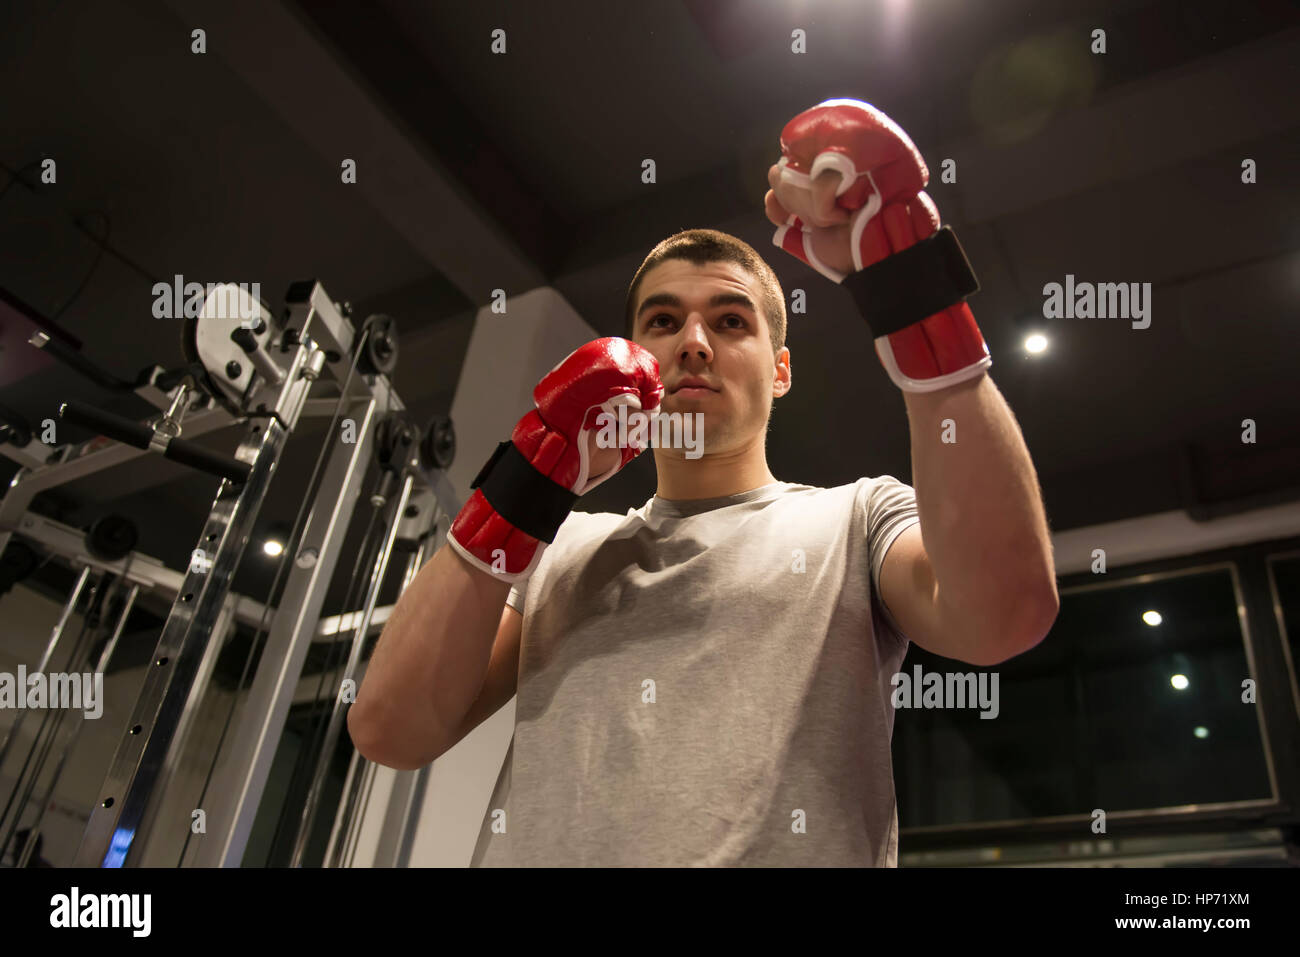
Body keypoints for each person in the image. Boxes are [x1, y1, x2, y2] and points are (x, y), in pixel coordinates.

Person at [349, 100, 1059, 866]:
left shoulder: (856, 519)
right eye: (661, 322)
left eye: (730, 322)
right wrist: (525, 485)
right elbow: (390, 729)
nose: (692, 342)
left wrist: (918, 299)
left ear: (780, 368)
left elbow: (1004, 615)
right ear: (633, 355)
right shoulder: (563, 548)